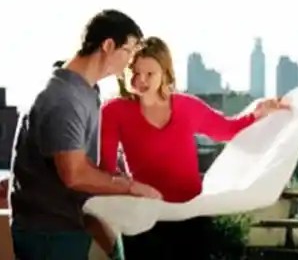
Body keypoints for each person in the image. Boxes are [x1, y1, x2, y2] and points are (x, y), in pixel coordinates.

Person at [100, 36, 287, 258]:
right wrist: (132, 188)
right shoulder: (113, 111)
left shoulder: (186, 106)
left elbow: (227, 130)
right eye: (135, 72)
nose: (141, 80)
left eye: (150, 74)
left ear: (165, 74)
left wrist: (259, 112)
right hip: (145, 219)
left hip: (191, 217)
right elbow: (106, 170)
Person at [10, 9, 162, 260]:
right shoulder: (64, 99)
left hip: (67, 229)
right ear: (108, 45)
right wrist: (132, 187)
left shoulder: (87, 91)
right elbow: (75, 174)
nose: (131, 62)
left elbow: (86, 166)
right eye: (129, 51)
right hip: (48, 236)